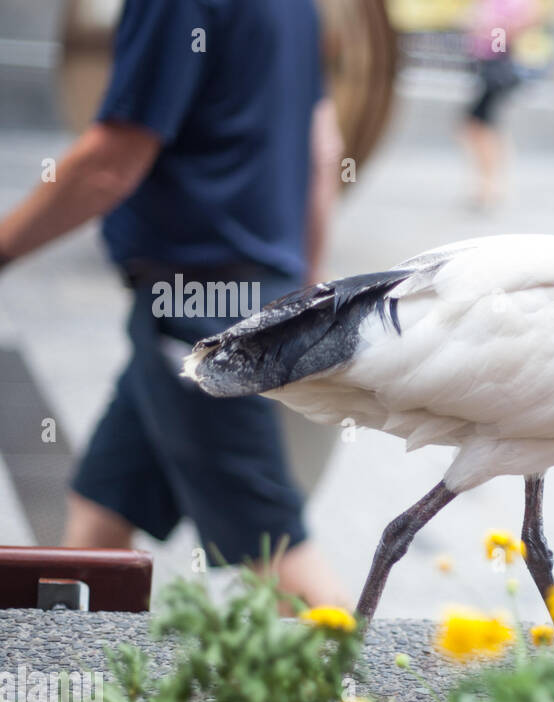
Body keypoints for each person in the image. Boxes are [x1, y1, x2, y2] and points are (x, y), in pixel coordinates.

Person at [0, 0, 350, 607]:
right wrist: (299, 286)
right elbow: (325, 148)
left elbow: (110, 161)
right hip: (218, 298)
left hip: (197, 313)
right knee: (103, 507)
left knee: (276, 552)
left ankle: (381, 697)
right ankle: (70, 681)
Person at [461, 0, 541, 210]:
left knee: (479, 125)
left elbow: (529, 18)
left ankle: (490, 186)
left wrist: (495, 30)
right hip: (488, 63)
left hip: (498, 64)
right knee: (484, 126)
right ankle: (491, 185)